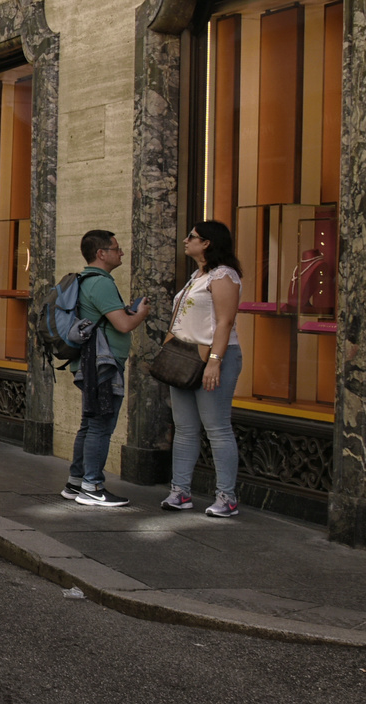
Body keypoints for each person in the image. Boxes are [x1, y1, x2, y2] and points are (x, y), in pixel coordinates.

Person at [60, 230, 150, 507]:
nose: (121, 252)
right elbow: (123, 325)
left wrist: (123, 312)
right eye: (117, 248)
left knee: (89, 424)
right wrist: (141, 315)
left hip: (90, 361)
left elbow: (111, 318)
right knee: (101, 424)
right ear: (102, 253)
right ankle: (92, 486)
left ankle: (76, 483)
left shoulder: (87, 280)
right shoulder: (101, 283)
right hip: (103, 363)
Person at [165, 220, 244, 518]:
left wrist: (215, 362)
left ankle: (227, 497)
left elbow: (225, 321)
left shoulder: (224, 275)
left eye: (192, 236)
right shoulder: (197, 276)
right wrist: (167, 352)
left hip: (214, 357)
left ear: (207, 242)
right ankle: (180, 491)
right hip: (184, 358)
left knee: (217, 428)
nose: (186, 240)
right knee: (184, 428)